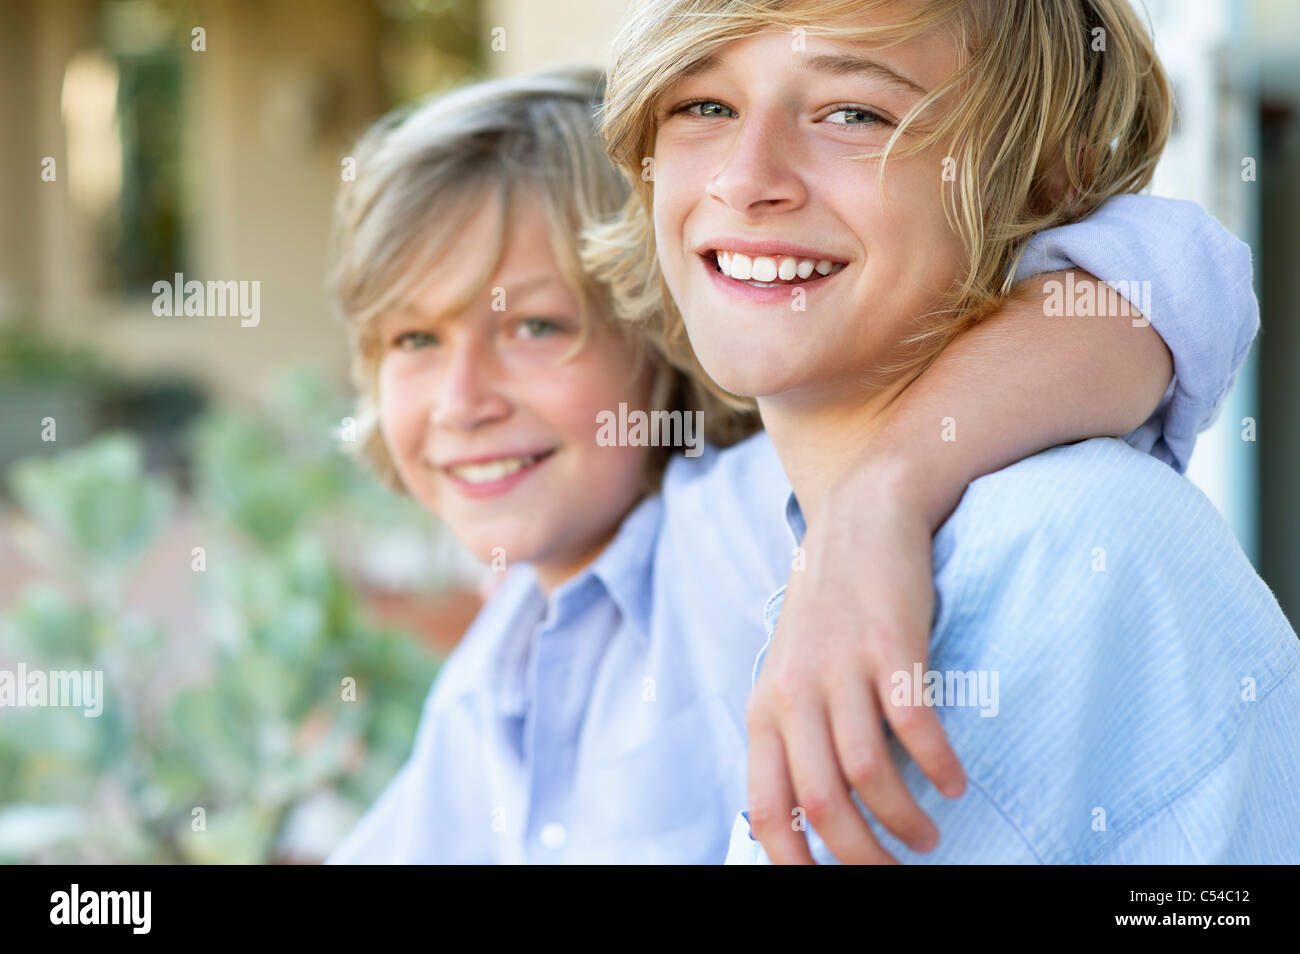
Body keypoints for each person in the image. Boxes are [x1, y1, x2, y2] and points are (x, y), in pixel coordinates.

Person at [327, 61, 1259, 862]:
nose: (463, 402)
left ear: (663, 324)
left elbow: (1171, 272)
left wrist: (875, 500)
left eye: (536, 326)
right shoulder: (497, 667)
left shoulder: (741, 520)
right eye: (413, 339)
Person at [593, 0, 1300, 862]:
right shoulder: (844, 529)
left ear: (1049, 179)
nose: (745, 178)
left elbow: (1193, 272)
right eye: (703, 106)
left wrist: (877, 498)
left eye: (855, 114)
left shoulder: (1034, 552)